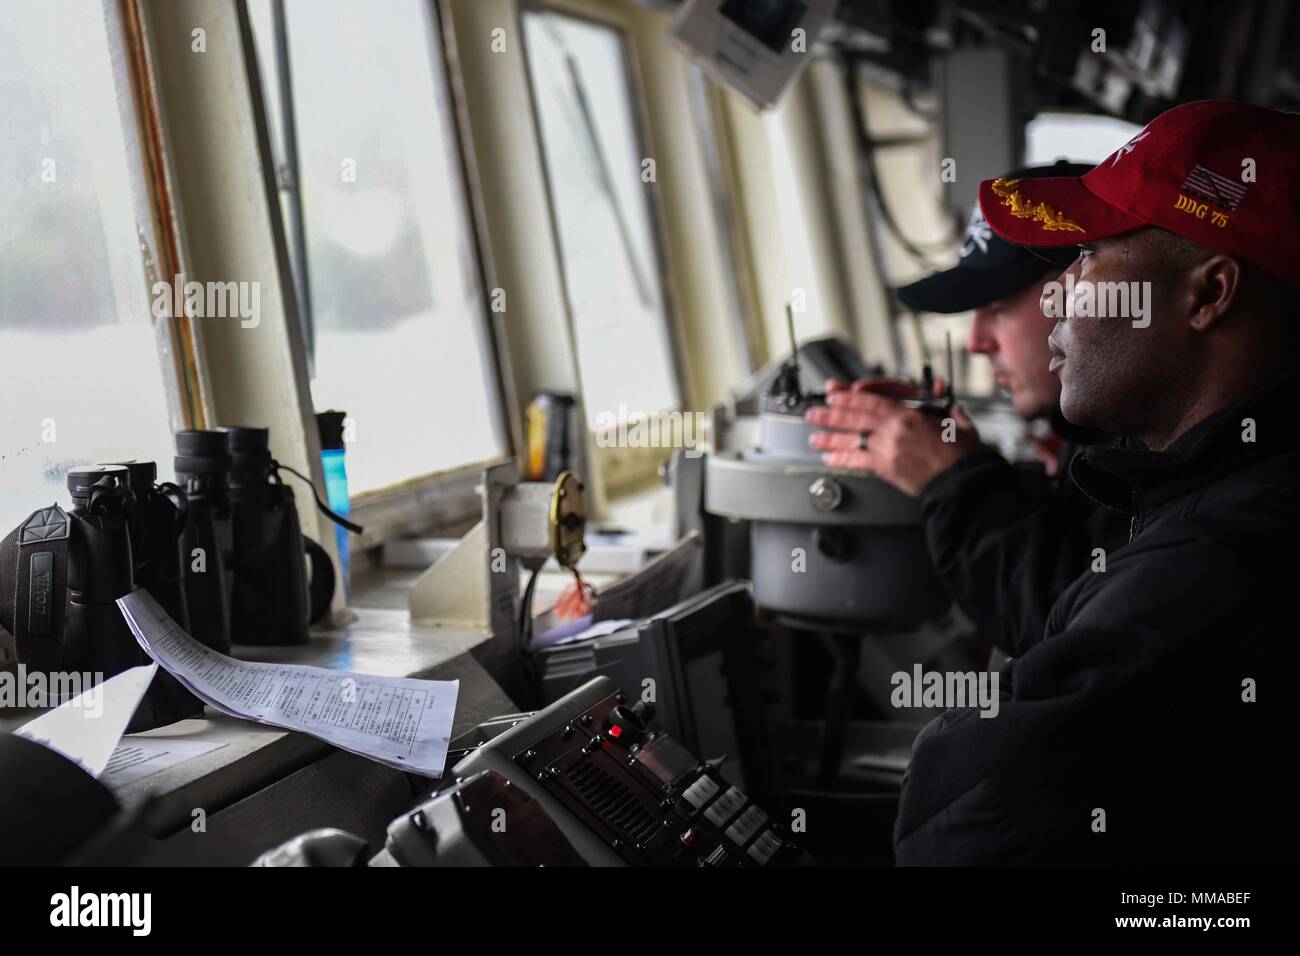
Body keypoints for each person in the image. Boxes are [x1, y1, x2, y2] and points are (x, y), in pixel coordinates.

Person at [882, 98, 1300, 864]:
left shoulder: (1217, 564)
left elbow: (959, 830)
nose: (1060, 297)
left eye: (1085, 258)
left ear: (1208, 295)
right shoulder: (1207, 492)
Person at [808, 163, 1126, 658]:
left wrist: (955, 483)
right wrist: (968, 461)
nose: (976, 342)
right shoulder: (1096, 433)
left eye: (997, 308)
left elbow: (1078, 638)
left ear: (1087, 289)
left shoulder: (1148, 443)